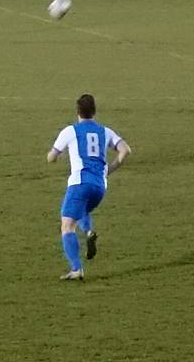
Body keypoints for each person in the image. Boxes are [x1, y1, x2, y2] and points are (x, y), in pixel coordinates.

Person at [47, 94, 131, 281]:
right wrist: (109, 169)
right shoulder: (105, 131)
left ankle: (76, 269)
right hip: (100, 186)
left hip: (79, 183)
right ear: (94, 111)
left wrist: (56, 155)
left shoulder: (70, 131)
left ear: (77, 111)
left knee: (67, 226)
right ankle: (88, 231)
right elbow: (125, 150)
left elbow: (51, 157)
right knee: (82, 209)